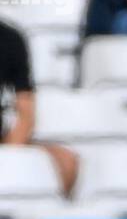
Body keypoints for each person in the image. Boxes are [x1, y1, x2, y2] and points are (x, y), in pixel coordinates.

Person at [0, 20, 78, 195]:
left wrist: (8, 155)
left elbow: (26, 111)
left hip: (3, 142)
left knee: (65, 161)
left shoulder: (9, 38)